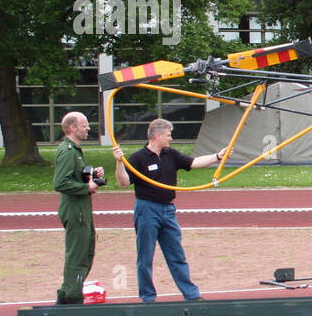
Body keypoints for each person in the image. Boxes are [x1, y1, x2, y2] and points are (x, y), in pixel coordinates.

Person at [112, 119, 228, 303]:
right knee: (145, 256)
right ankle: (148, 298)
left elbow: (194, 162)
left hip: (168, 209)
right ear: (157, 136)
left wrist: (218, 156)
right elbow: (123, 183)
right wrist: (119, 162)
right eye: (168, 135)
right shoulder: (138, 158)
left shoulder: (170, 154)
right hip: (147, 209)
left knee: (177, 254)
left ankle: (191, 295)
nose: (171, 138)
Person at [53, 111, 99, 304]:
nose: (88, 128)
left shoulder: (75, 151)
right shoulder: (68, 151)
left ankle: (70, 292)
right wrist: (85, 187)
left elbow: (73, 177)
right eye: (84, 125)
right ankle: (70, 296)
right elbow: (60, 183)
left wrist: (92, 175)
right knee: (78, 255)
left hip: (81, 209)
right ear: (72, 128)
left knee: (86, 250)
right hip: (75, 211)